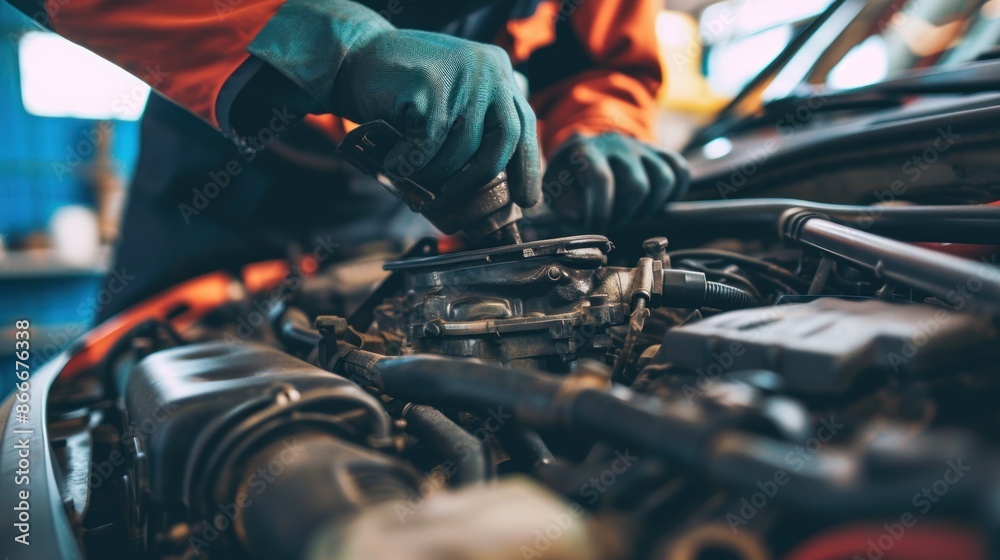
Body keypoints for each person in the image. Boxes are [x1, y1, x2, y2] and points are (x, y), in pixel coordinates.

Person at [7, 0, 689, 320]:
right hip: (217, 179)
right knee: (139, 383)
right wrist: (327, 41)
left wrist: (601, 125)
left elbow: (602, 55)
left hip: (395, 201)